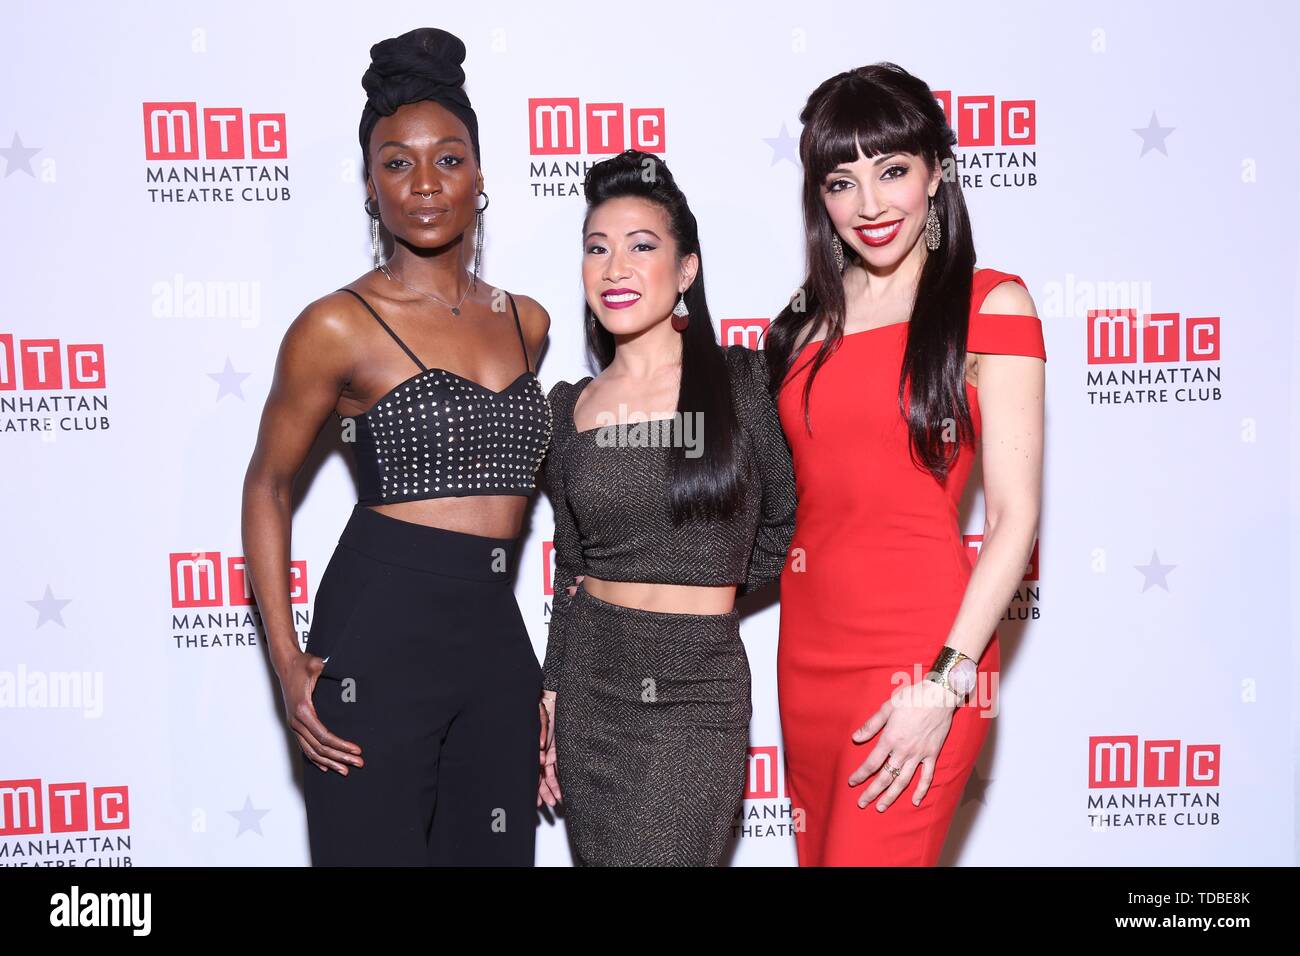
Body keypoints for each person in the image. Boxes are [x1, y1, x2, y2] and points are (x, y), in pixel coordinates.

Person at [240, 27, 553, 866]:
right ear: (370, 182)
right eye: (395, 162)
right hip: (378, 636)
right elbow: (267, 486)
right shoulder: (335, 325)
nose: (424, 185)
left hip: (496, 643)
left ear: (480, 175)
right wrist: (284, 656)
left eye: (448, 160)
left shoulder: (529, 321)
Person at [763, 63, 1046, 866]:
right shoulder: (804, 324)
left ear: (935, 174)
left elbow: (1015, 519)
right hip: (808, 655)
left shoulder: (991, 306)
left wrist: (945, 681)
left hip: (922, 656)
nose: (870, 205)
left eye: (892, 171)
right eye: (841, 181)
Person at [536, 149, 797, 866]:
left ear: (686, 271)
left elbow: (782, 523)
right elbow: (571, 567)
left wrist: (708, 581)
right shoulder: (570, 408)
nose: (614, 268)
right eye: (597, 249)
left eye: (640, 246)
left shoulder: (742, 381)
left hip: (695, 687)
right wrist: (553, 689)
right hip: (593, 679)